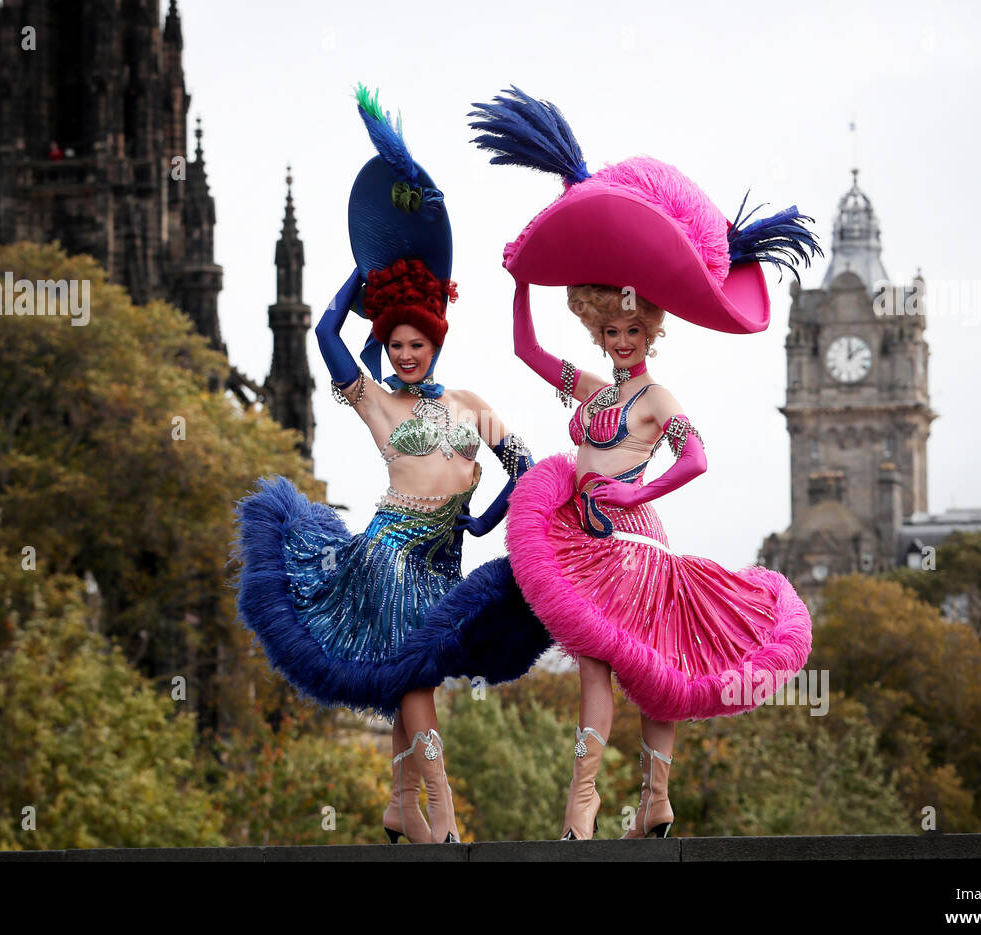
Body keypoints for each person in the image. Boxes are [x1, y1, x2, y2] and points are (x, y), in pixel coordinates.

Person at [469, 87, 821, 840]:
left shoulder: (656, 395)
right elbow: (527, 352)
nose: (622, 338)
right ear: (599, 328)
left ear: (650, 329)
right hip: (595, 532)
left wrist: (633, 491)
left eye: (634, 327)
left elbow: (695, 459)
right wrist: (522, 282)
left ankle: (586, 807)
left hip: (626, 535)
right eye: (611, 328)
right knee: (635, 664)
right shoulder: (595, 387)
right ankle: (650, 804)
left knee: (623, 662)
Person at [232, 86, 547, 844]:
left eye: (417, 344)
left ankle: (402, 806)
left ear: (435, 343)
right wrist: (362, 274)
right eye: (397, 343)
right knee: (416, 684)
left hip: (443, 561)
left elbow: (526, 466)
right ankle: (441, 813)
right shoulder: (376, 402)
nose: (405, 355)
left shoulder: (469, 403)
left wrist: (485, 515)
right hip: (387, 556)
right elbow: (326, 337)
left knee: (417, 678)